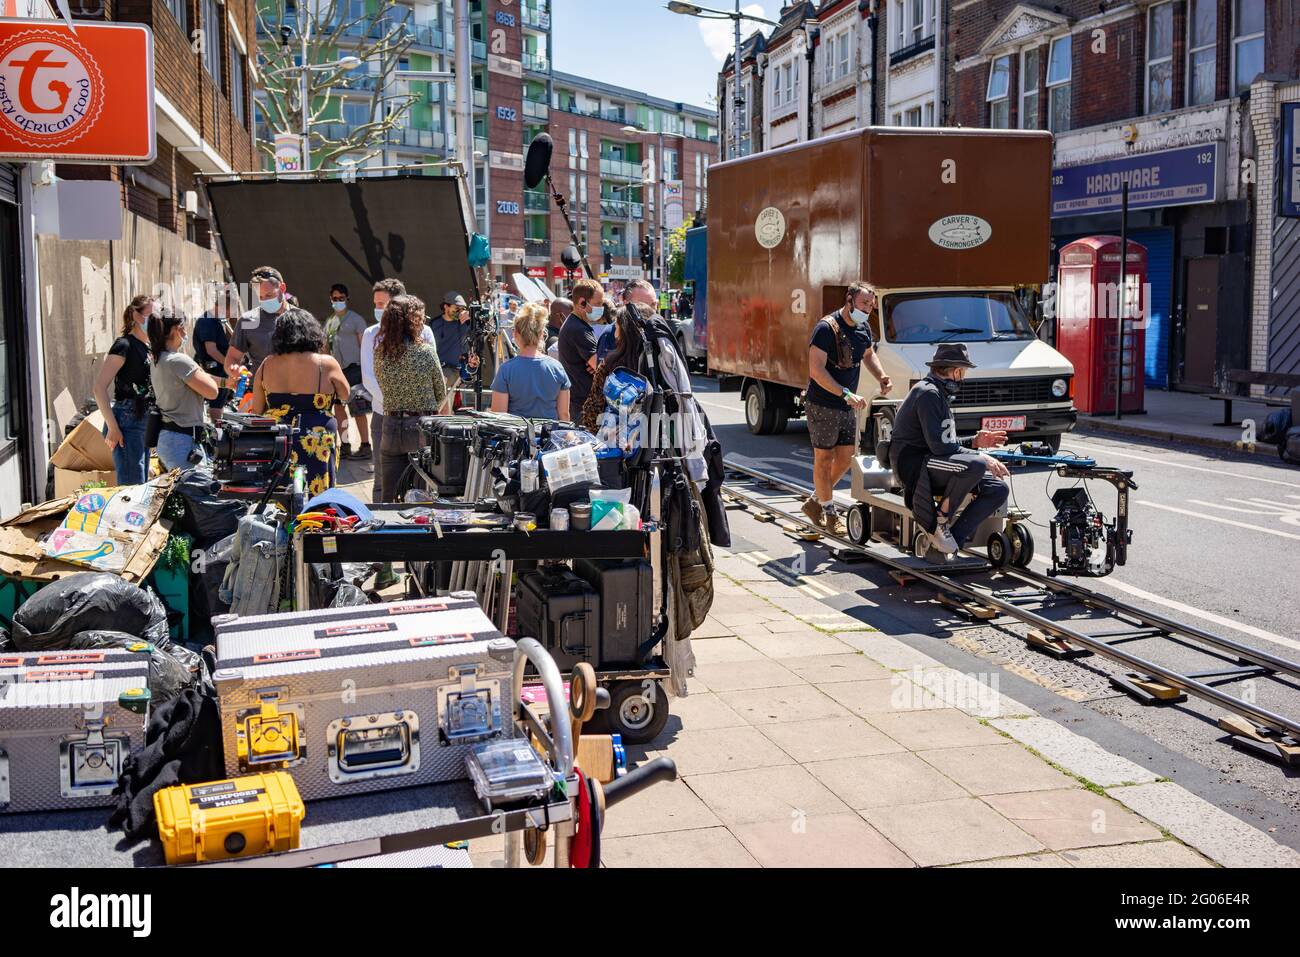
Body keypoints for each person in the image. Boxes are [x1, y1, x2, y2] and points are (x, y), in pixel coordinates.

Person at [889, 344, 1010, 555]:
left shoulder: (937, 393)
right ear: (955, 371)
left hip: (932, 460)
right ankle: (939, 522)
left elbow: (944, 444)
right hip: (914, 466)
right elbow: (940, 448)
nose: (962, 379)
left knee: (998, 489)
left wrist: (974, 442)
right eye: (962, 373)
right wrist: (981, 457)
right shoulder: (928, 393)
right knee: (977, 464)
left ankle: (954, 541)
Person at [803, 282, 893, 535]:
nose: (868, 309)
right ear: (850, 299)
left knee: (844, 459)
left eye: (871, 305)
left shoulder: (863, 328)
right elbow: (816, 370)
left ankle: (814, 502)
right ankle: (830, 514)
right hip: (823, 404)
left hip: (846, 405)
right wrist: (845, 393)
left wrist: (882, 376)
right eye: (864, 303)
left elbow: (868, 354)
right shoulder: (825, 329)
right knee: (823, 459)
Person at [249, 309, 351, 499]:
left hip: (279, 438)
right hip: (317, 436)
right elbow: (345, 394)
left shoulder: (267, 364)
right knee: (318, 493)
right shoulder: (326, 363)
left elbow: (257, 409)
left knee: (279, 493)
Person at [361, 278, 436, 503]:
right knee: (383, 480)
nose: (378, 309)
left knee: (421, 478)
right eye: (375, 304)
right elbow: (368, 377)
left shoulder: (426, 333)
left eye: (382, 304)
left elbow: (432, 378)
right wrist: (394, 402)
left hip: (418, 419)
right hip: (383, 416)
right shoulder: (371, 334)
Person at [373, 295, 446, 502]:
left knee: (389, 494)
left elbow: (381, 385)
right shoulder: (425, 352)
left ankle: (389, 532)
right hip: (421, 429)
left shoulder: (380, 353)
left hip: (391, 425)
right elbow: (440, 392)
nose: (423, 322)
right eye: (421, 318)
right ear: (412, 321)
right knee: (421, 496)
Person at [93, 295, 156, 485]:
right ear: (137, 316)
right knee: (131, 489)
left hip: (142, 420)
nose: (156, 321)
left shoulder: (147, 347)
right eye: (152, 316)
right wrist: (113, 427)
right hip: (127, 421)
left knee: (140, 485)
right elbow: (99, 388)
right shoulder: (124, 345)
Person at [148, 309, 222, 470]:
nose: (186, 331)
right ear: (176, 329)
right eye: (184, 327)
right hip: (182, 441)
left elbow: (197, 379)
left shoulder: (159, 358)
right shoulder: (178, 360)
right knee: (197, 493)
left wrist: (226, 382)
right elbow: (212, 391)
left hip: (173, 439)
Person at [491, 302, 570, 421]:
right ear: (542, 334)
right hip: (548, 436)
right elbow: (564, 415)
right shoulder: (557, 367)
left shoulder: (506, 370)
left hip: (518, 436)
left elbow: (499, 417)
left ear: (515, 334)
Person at [326, 283, 372, 460]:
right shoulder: (329, 322)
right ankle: (344, 445)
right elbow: (324, 347)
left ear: (347, 299)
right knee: (338, 409)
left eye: (341, 298)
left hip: (355, 370)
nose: (338, 301)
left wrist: (366, 370)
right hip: (336, 371)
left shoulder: (356, 319)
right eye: (335, 299)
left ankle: (365, 445)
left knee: (358, 409)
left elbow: (364, 346)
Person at [226, 266, 290, 376]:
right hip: (258, 389)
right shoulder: (247, 321)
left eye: (269, 295)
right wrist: (235, 369)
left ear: (282, 288)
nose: (264, 301)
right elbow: (233, 357)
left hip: (295, 390)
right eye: (260, 297)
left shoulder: (302, 319)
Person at [558, 277, 604, 421]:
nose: (601, 308)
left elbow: (597, 365)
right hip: (582, 405)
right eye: (598, 304)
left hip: (579, 402)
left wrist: (599, 364)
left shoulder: (577, 325)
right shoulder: (578, 330)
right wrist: (600, 364)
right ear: (582, 303)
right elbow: (601, 367)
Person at [192, 285, 236, 422]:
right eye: (229, 312)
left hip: (218, 368)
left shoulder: (215, 320)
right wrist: (228, 363)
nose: (229, 316)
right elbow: (211, 350)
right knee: (216, 402)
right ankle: (216, 429)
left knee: (219, 401)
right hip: (214, 368)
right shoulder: (207, 321)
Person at [427, 292, 472, 414]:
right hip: (435, 367)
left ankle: (444, 418)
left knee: (442, 381)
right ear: (446, 306)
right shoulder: (434, 323)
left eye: (463, 309)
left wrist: (470, 318)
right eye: (457, 308)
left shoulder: (465, 323)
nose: (460, 312)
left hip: (453, 369)